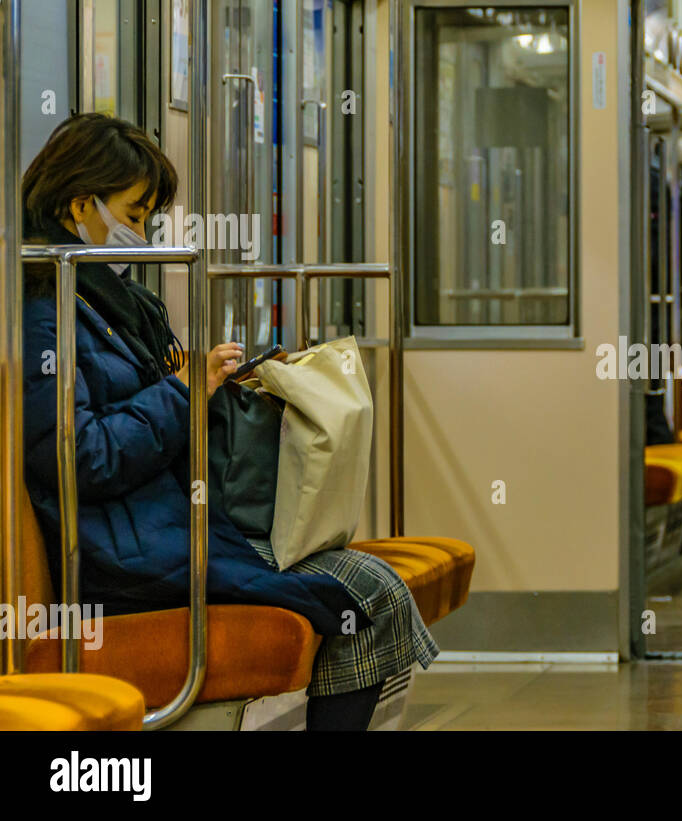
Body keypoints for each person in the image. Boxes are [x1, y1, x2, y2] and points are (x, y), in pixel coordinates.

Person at [20, 113, 435, 731]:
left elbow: (154, 405)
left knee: (372, 588)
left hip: (163, 529)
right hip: (123, 558)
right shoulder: (44, 314)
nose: (141, 233)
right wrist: (185, 392)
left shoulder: (108, 303)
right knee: (366, 597)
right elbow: (82, 460)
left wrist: (221, 385)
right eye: (133, 215)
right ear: (80, 204)